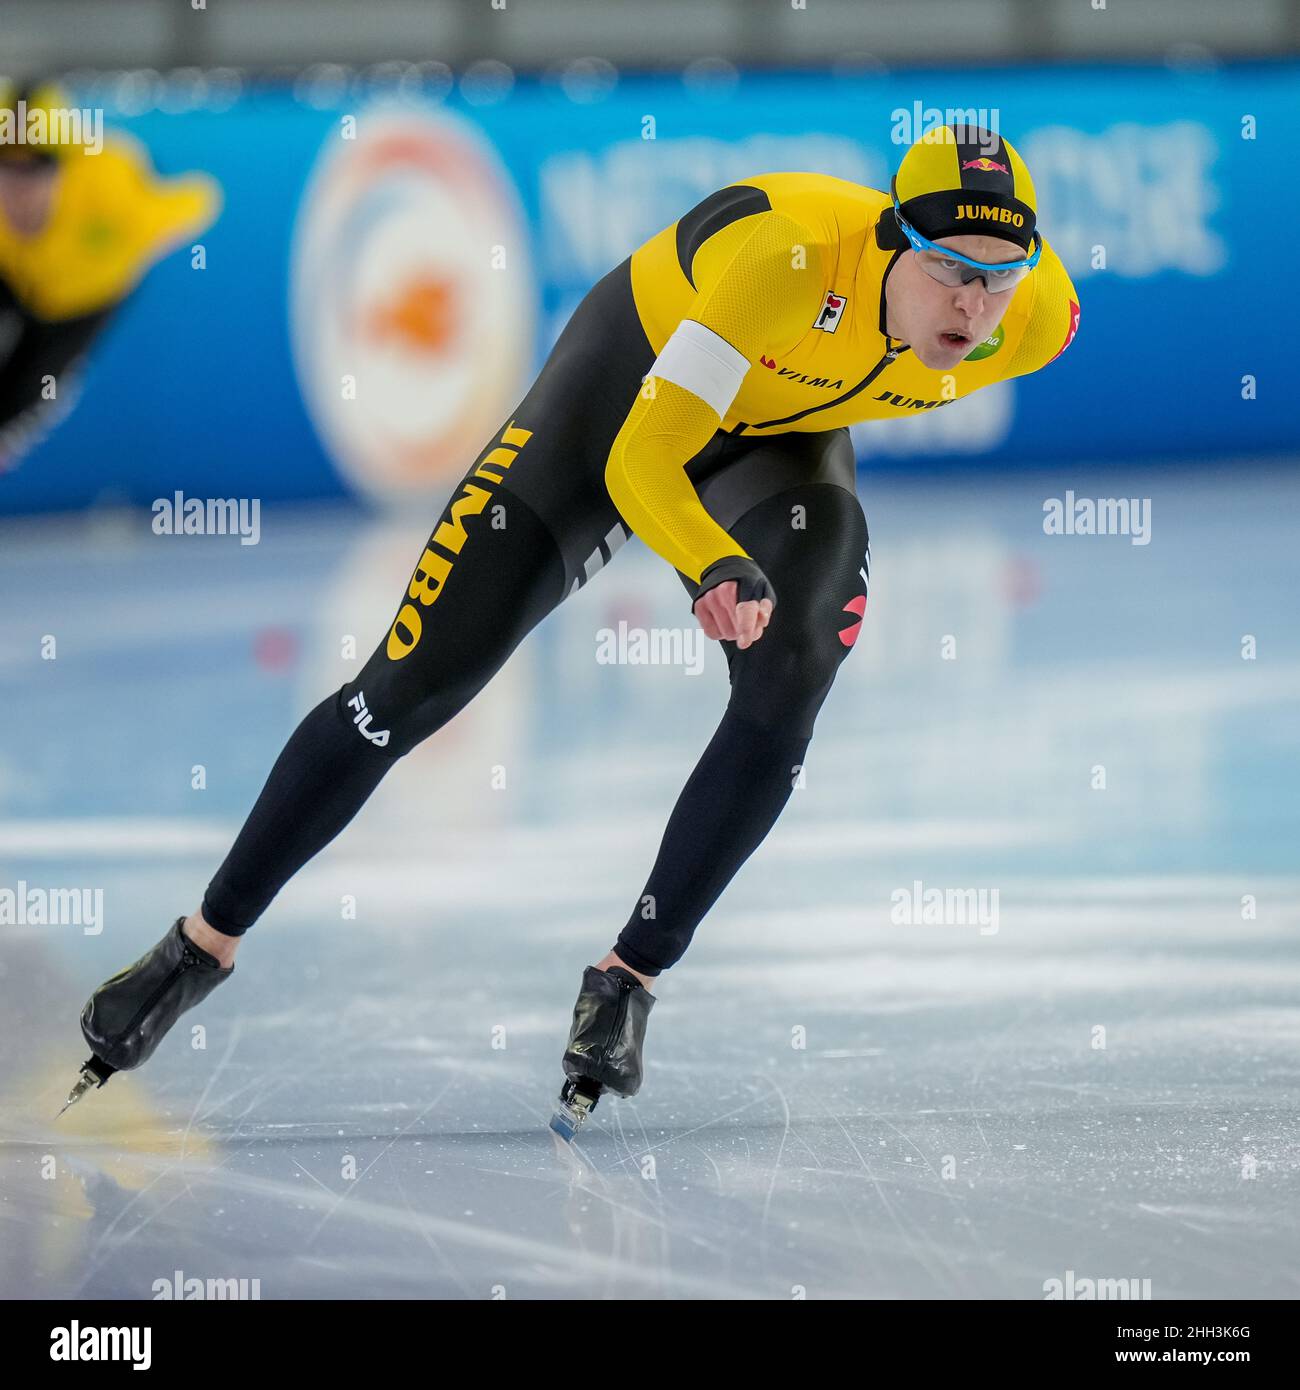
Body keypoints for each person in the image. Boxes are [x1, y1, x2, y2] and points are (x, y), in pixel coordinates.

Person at [69, 123, 1080, 1134]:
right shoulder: (787, 262)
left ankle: (627, 977)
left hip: (780, 436)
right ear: (894, 240)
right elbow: (646, 461)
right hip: (621, 405)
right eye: (949, 269)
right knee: (409, 691)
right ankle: (200, 945)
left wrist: (740, 550)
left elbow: (1001, 306)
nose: (971, 303)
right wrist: (708, 560)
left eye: (997, 276)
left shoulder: (1033, 320)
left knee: (796, 666)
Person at [0, 82, 219, 471]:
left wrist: (138, 250)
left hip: (86, 298)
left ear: (66, 170)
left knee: (15, 410)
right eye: (5, 170)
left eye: (34, 173)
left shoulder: (114, 195)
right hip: (16, 276)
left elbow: (203, 198)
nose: (18, 192)